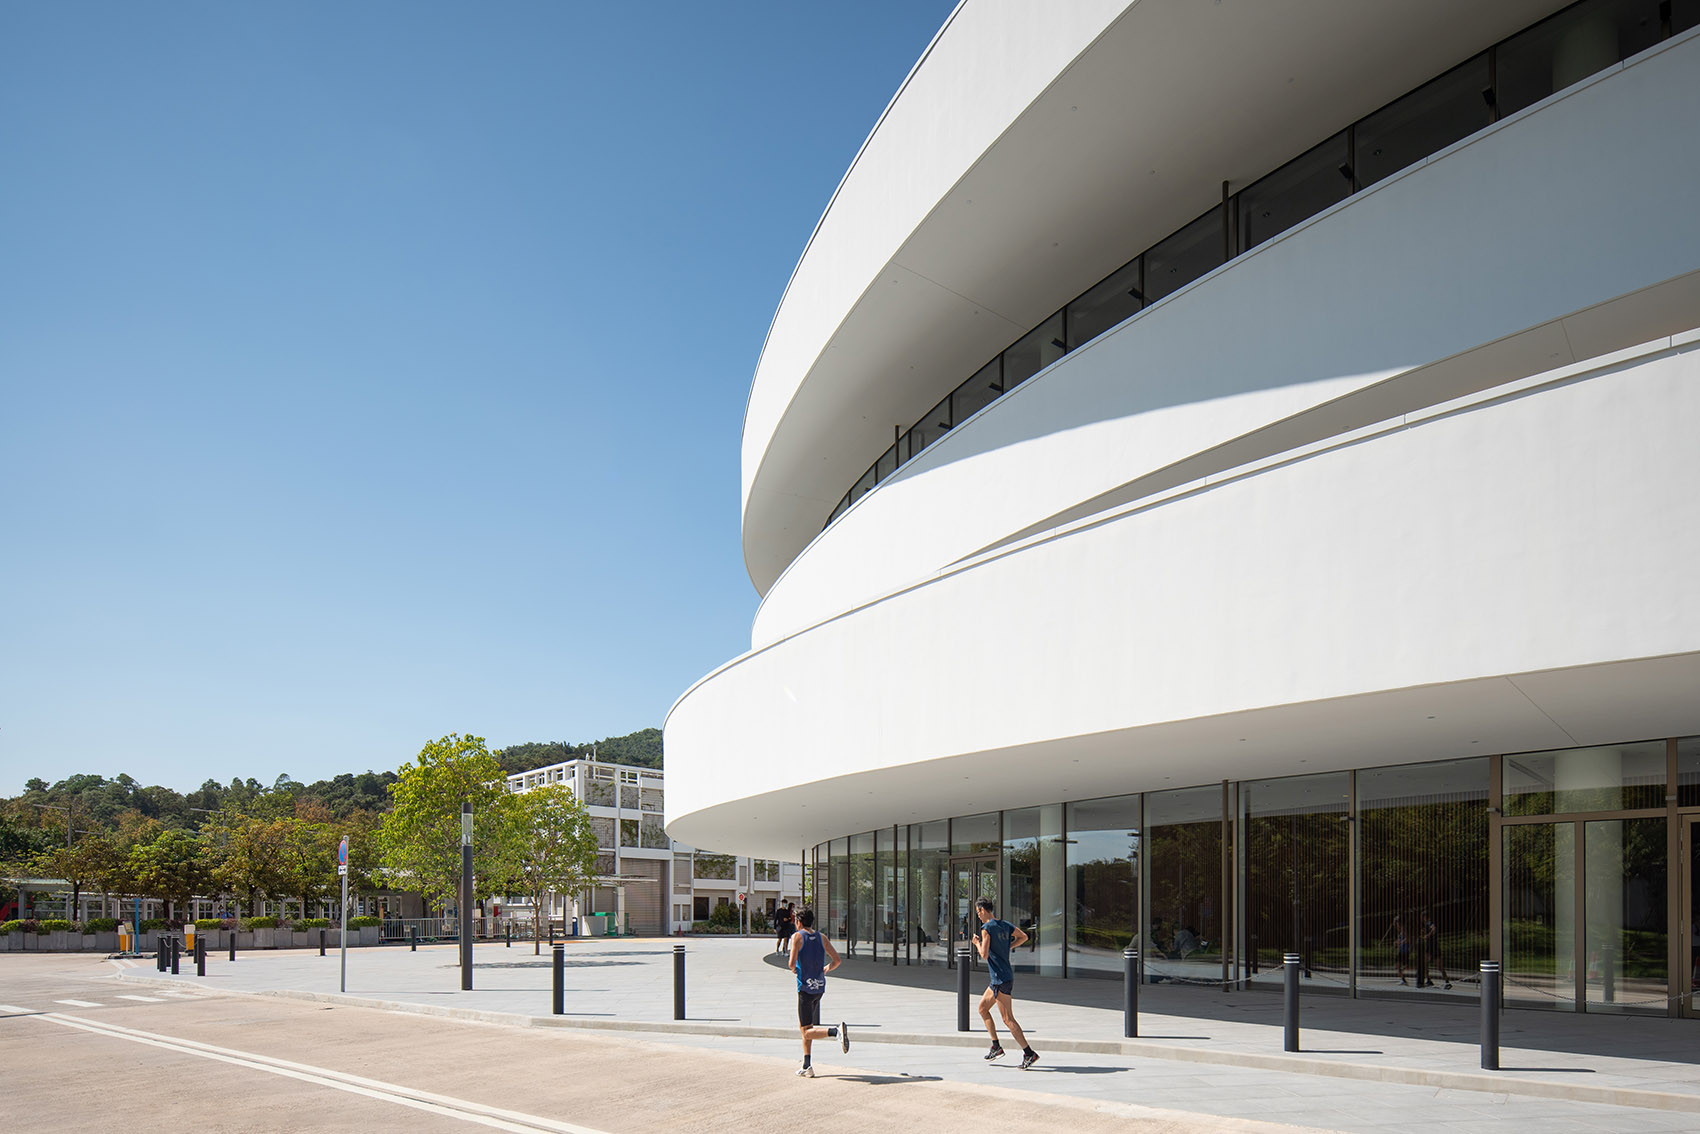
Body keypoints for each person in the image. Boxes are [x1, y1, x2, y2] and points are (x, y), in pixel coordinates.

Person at [973, 896, 1038, 1070]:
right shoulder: (1005, 925)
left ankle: (1029, 1053)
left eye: (978, 912)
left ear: (983, 910)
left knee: (1007, 1019)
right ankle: (996, 1046)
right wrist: (1007, 947)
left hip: (1000, 979)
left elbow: (984, 954)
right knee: (982, 1009)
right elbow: (1023, 937)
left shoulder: (986, 929)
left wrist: (977, 943)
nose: (978, 915)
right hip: (1001, 977)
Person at [787, 907, 847, 1077]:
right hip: (819, 987)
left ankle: (836, 1032)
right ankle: (807, 1065)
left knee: (805, 1031)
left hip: (805, 988)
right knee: (807, 1027)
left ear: (799, 922)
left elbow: (791, 964)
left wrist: (795, 969)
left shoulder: (797, 937)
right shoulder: (822, 937)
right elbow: (837, 960)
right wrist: (826, 969)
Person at [1419, 910, 1452, 990]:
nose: (1422, 919)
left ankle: (1447, 982)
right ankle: (1428, 980)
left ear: (1425, 917)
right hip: (1428, 947)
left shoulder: (1430, 924)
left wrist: (1427, 935)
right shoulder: (1426, 925)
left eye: (1422, 917)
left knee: (1439, 966)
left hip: (1434, 947)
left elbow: (1434, 929)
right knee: (1424, 964)